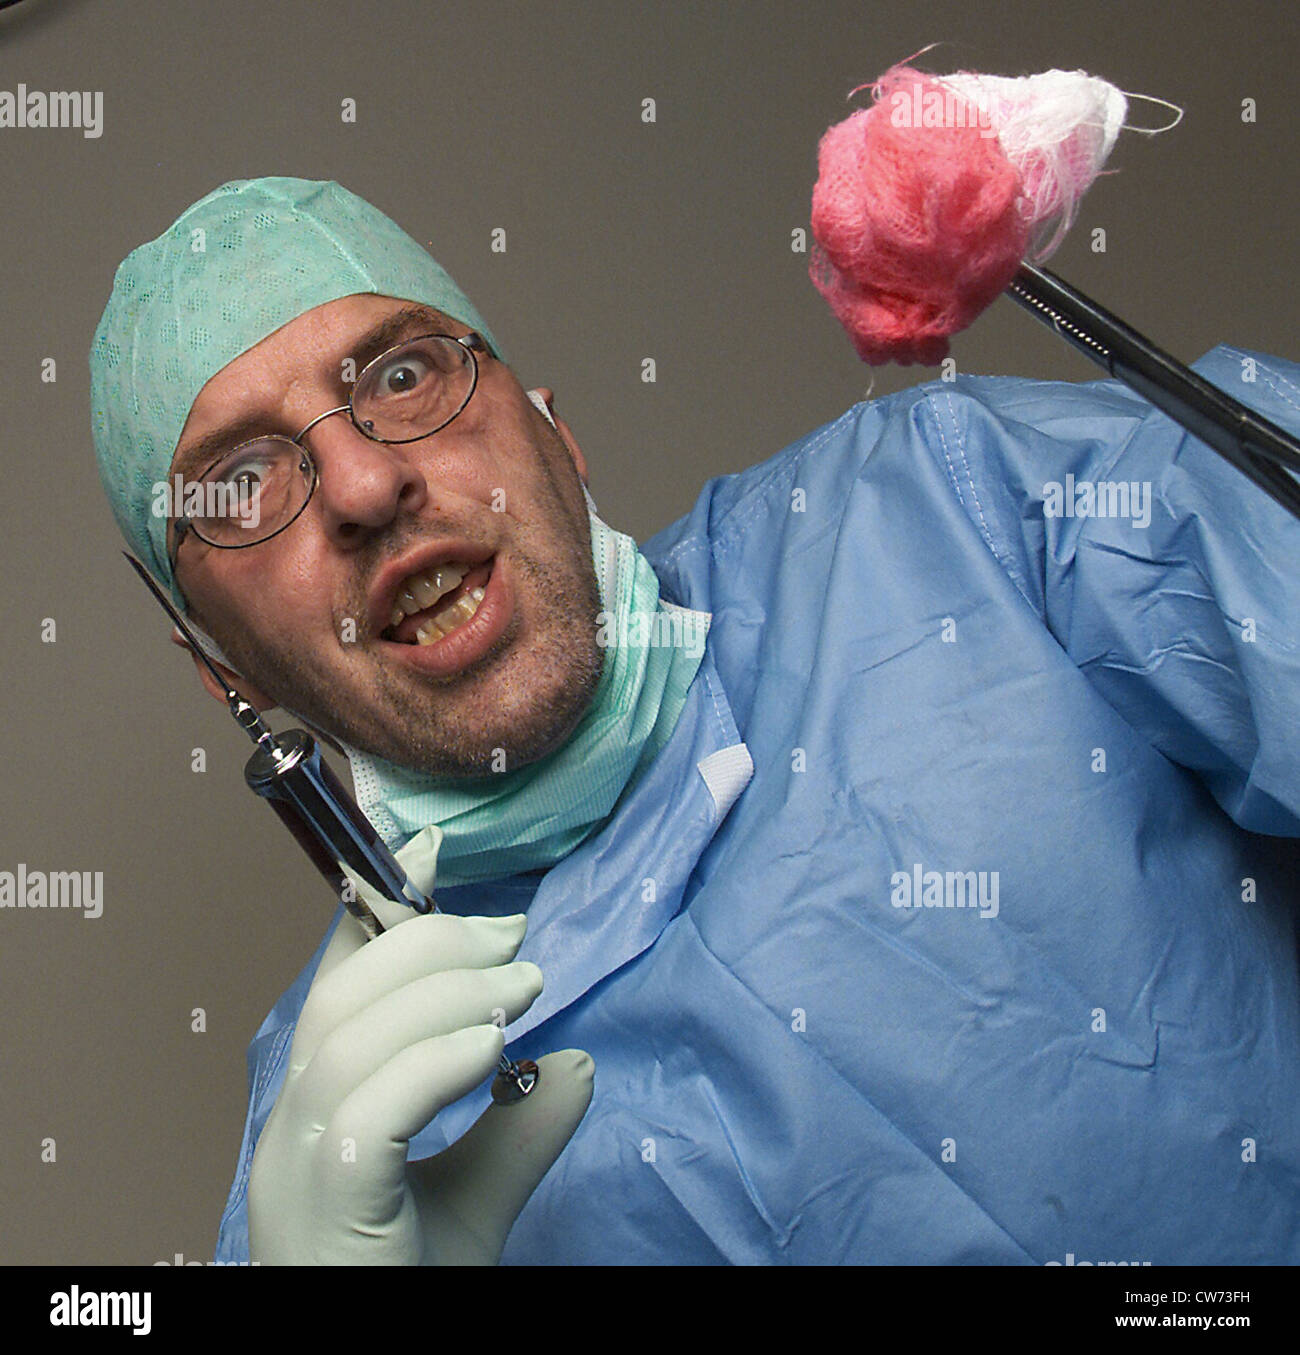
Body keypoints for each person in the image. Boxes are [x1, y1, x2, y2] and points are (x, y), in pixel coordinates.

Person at [92, 176, 1300, 1266]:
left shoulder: (960, 510)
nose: (363, 486)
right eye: (239, 485)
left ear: (555, 436)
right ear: (220, 668)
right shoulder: (331, 1148)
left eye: (403, 375)